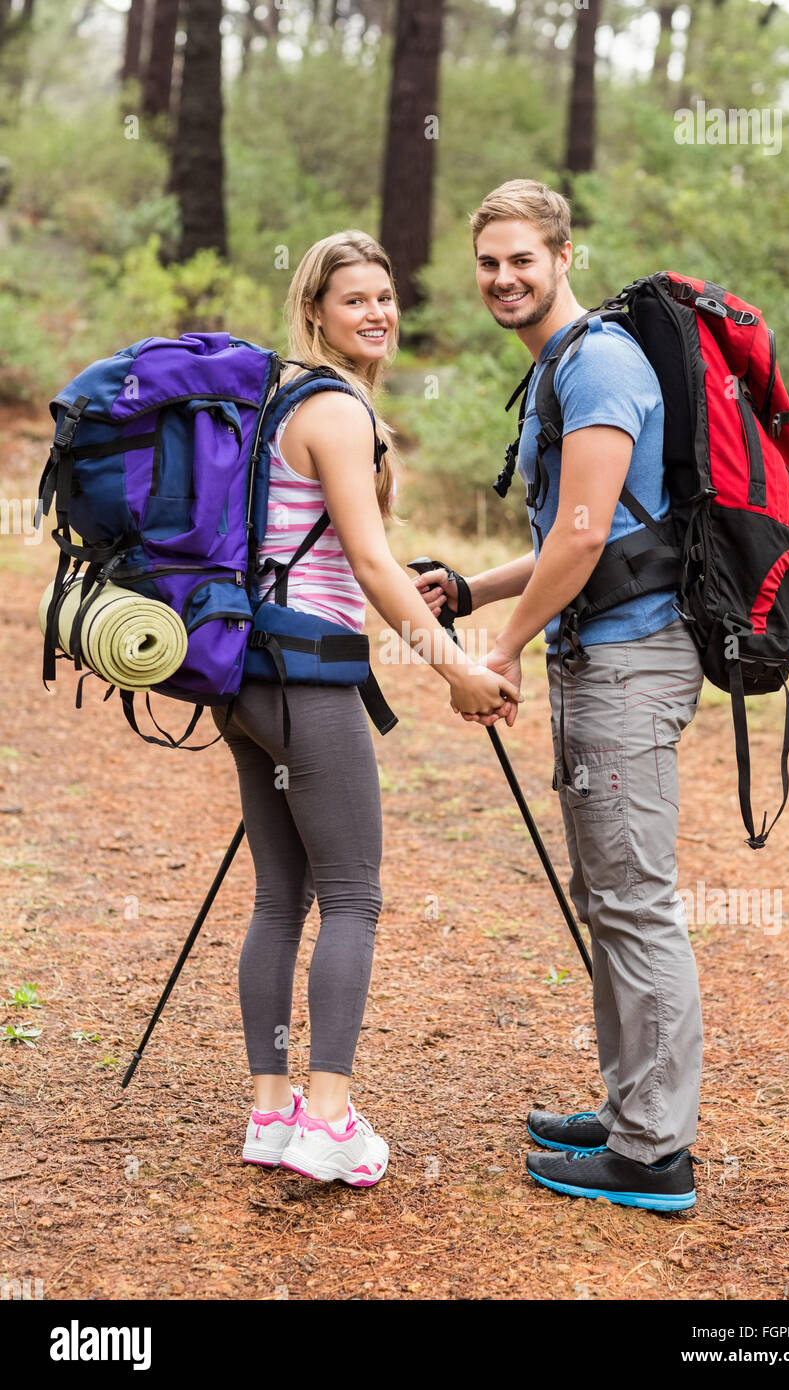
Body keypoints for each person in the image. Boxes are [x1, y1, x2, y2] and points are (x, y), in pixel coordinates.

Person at [414, 181, 704, 1211]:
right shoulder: (563, 366)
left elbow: (581, 540)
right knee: (610, 899)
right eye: (486, 262)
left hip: (628, 666)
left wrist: (493, 650)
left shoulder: (601, 363)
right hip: (599, 661)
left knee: (632, 903)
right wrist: (470, 587)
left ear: (563, 255)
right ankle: (634, 1113)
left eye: (520, 260)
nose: (501, 278)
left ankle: (653, 1154)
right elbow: (579, 533)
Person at [212, 230, 520, 1189]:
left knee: (279, 895)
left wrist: (400, 572)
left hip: (247, 675)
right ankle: (330, 1119)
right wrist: (457, 670)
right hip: (310, 678)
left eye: (386, 297)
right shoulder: (340, 410)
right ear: (316, 311)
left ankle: (271, 1113)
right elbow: (373, 566)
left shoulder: (276, 404)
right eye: (356, 300)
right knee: (351, 896)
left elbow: (333, 549)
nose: (378, 313)